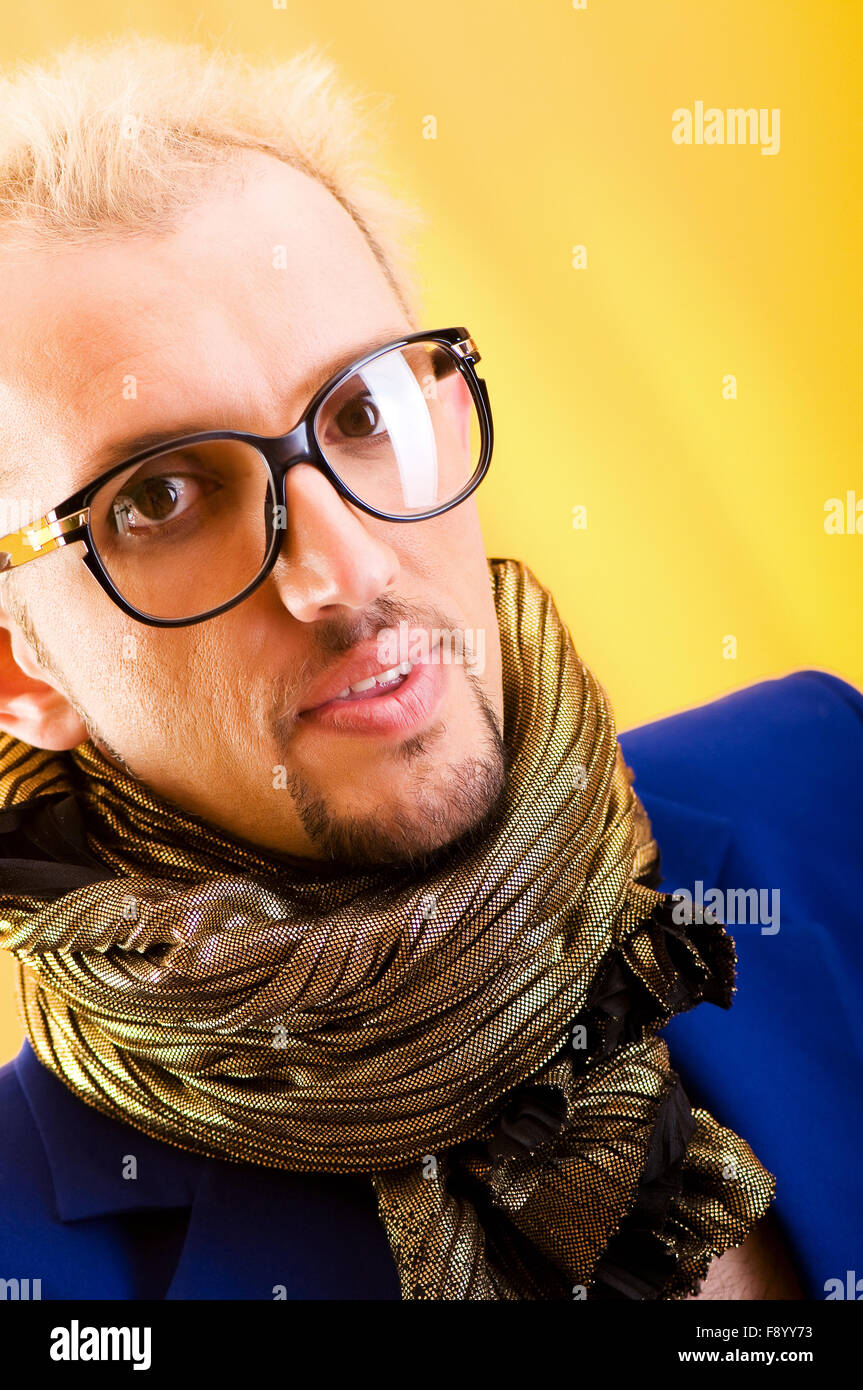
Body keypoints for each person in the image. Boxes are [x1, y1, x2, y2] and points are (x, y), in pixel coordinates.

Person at [0, 33, 847, 1302]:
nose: (340, 573)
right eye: (160, 496)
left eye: (360, 411)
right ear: (23, 672)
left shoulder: (826, 785)